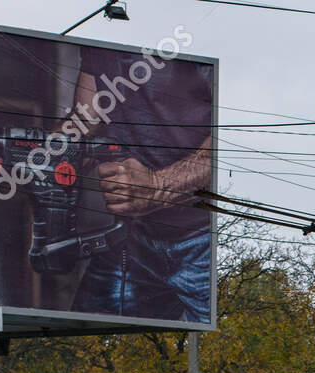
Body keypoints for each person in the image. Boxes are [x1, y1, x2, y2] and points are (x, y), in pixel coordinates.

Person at [69, 48, 214, 321]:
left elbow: (232, 140)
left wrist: (158, 186)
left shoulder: (199, 32)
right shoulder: (102, 24)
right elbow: (85, 122)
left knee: (225, 356)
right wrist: (29, 157)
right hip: (131, 235)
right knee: (80, 349)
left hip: (208, 240)